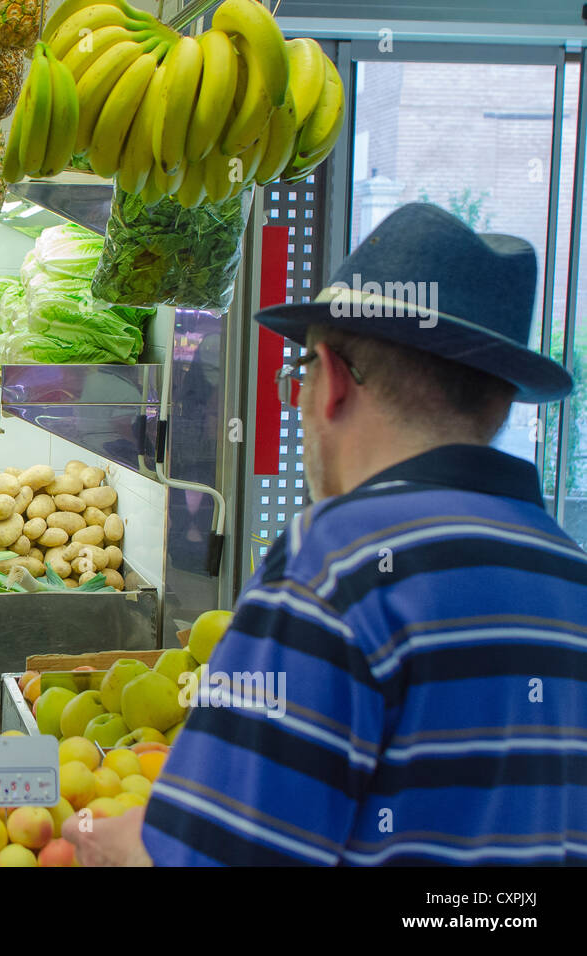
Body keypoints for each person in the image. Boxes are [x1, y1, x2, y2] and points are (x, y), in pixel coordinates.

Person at [65, 203, 586, 866]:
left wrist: (107, 845)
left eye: (298, 376)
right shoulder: (570, 575)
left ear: (332, 380)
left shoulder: (338, 562)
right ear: (500, 402)